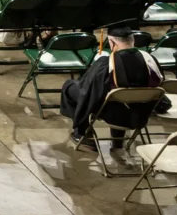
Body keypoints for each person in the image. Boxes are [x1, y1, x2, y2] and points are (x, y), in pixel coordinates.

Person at [64, 24, 163, 153]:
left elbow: (89, 93)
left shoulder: (106, 64)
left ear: (111, 42)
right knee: (120, 96)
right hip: (141, 116)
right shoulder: (150, 60)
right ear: (133, 40)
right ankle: (117, 141)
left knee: (70, 86)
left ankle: (83, 135)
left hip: (114, 115)